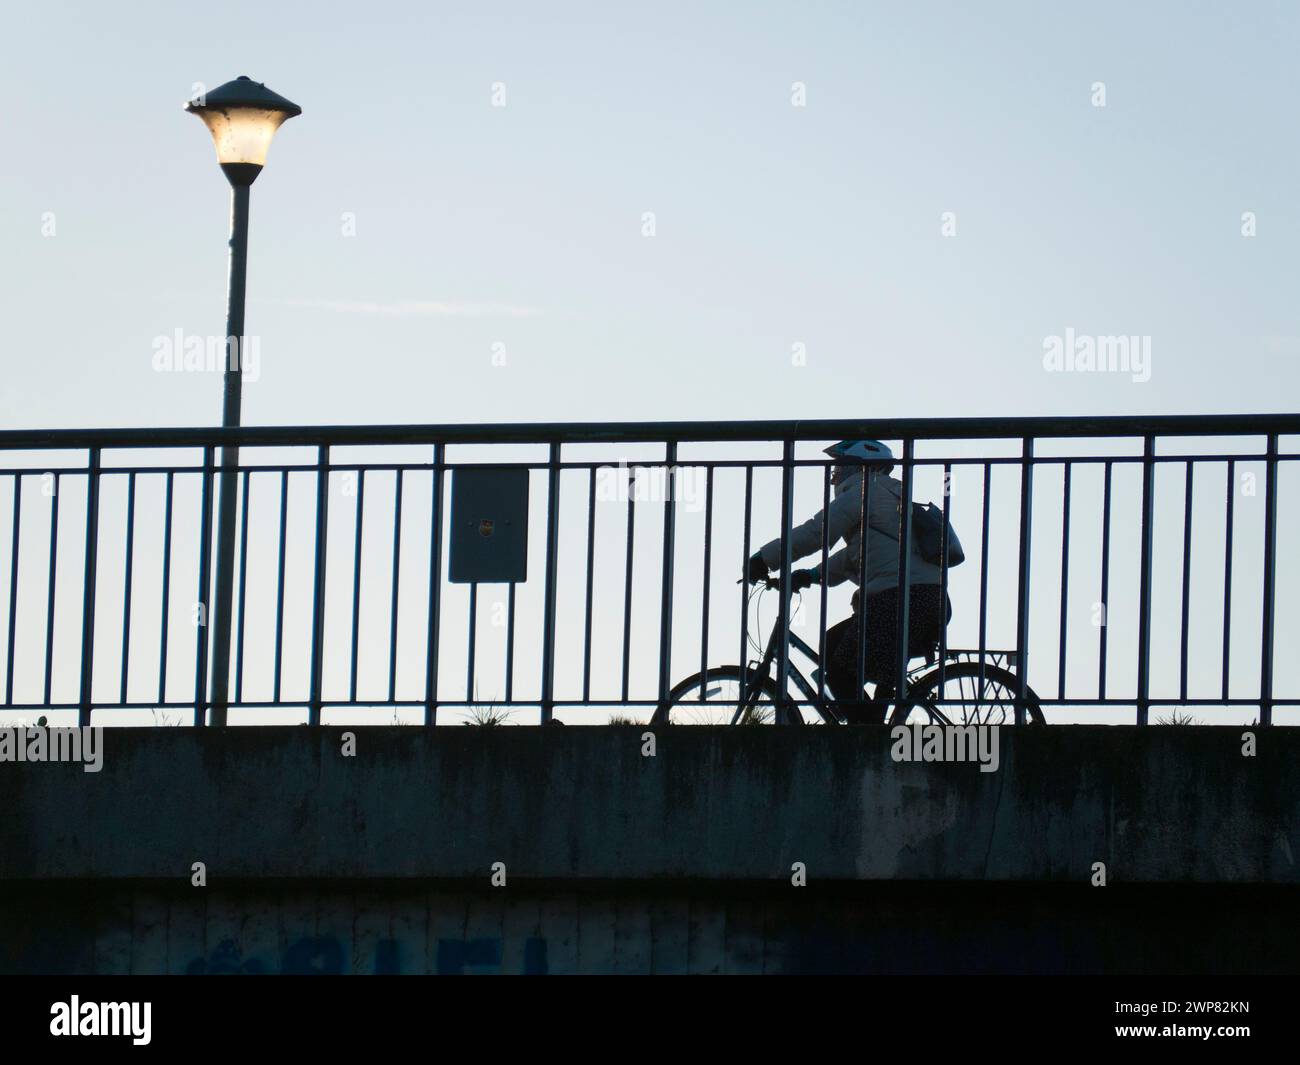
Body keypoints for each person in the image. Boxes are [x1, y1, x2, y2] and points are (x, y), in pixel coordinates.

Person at [746, 440, 951, 723]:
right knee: (834, 644)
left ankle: (865, 739)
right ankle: (871, 726)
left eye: (839, 466)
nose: (835, 474)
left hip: (898, 602)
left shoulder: (864, 492)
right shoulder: (894, 495)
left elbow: (818, 531)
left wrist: (763, 559)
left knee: (842, 671)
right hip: (925, 601)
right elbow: (857, 554)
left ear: (859, 467)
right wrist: (813, 574)